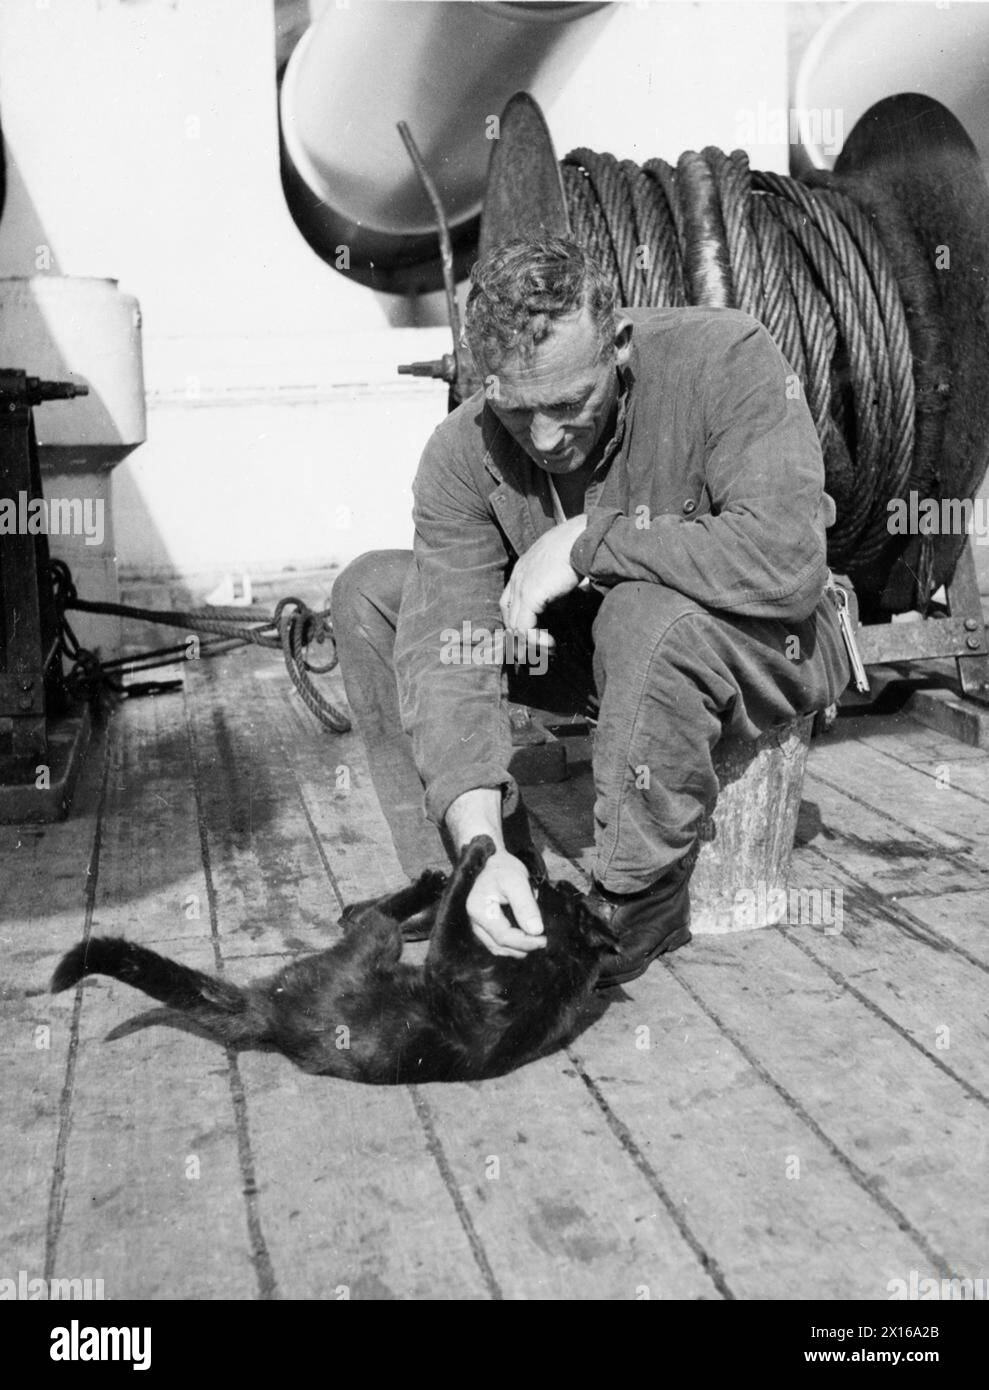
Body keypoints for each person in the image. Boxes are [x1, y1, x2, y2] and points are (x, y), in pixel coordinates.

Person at [331, 237, 850, 986]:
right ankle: (466, 879)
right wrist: (481, 844)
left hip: (760, 639)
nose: (545, 439)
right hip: (593, 653)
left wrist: (587, 541)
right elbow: (450, 648)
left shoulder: (726, 357)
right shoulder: (458, 453)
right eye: (516, 411)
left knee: (640, 614)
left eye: (570, 403)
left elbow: (785, 564)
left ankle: (639, 895)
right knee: (372, 592)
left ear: (619, 347)